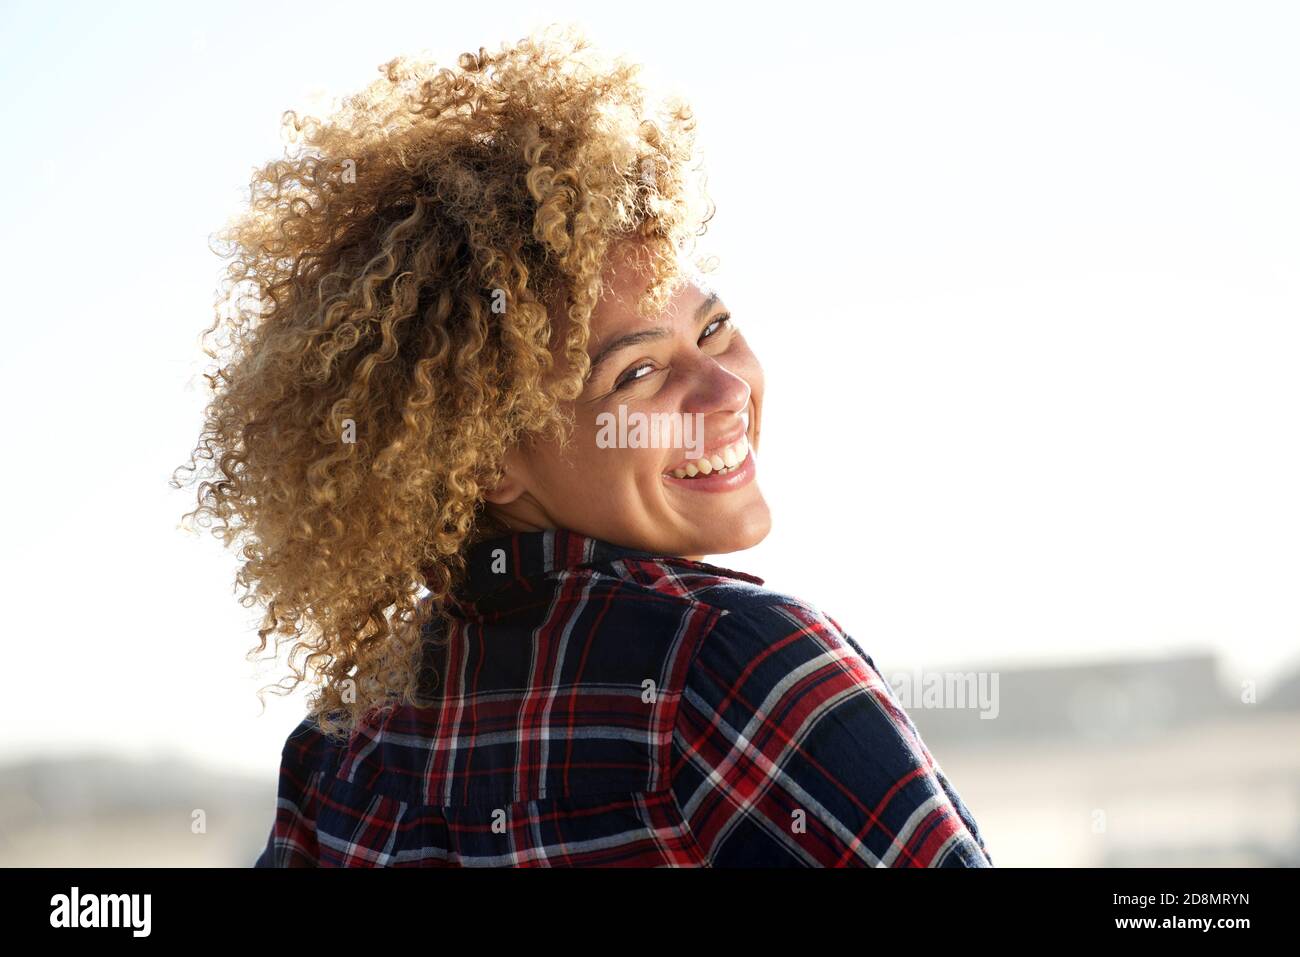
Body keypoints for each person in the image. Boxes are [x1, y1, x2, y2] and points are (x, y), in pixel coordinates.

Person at [178, 25, 993, 867]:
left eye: (713, 329)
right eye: (637, 373)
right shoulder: (738, 673)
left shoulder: (338, 753)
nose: (726, 390)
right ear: (485, 453)